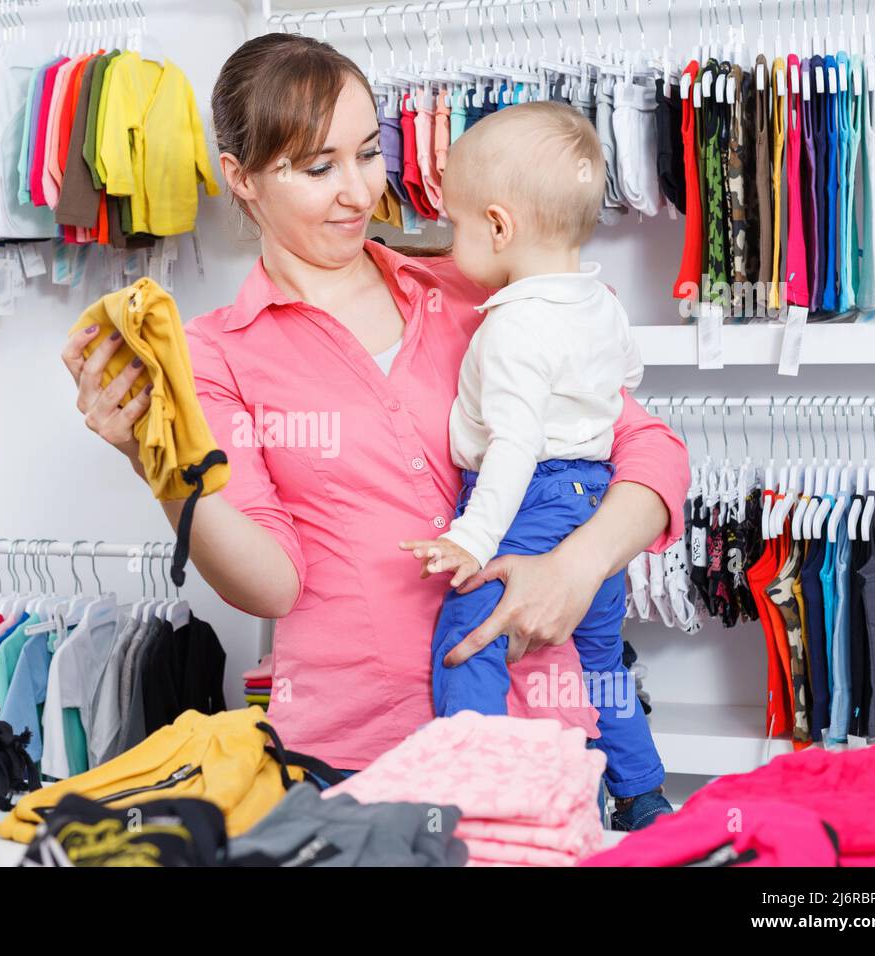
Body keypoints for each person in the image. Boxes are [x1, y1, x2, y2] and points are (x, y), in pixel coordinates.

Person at [61, 34, 688, 828]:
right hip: (357, 765)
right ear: (241, 178)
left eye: (367, 153)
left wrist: (575, 569)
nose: (359, 192)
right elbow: (268, 582)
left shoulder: (472, 292)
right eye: (319, 168)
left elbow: (651, 449)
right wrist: (157, 460)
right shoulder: (213, 356)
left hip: (544, 743)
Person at [399, 101, 669, 829]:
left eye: (454, 225)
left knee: (468, 638)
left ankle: (476, 794)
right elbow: (628, 380)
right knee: (601, 662)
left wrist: (475, 540)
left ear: (498, 226)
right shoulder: (601, 302)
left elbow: (513, 447)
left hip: (533, 500)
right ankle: (645, 797)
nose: (449, 243)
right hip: (595, 490)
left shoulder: (512, 328)